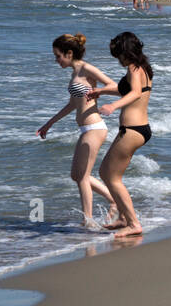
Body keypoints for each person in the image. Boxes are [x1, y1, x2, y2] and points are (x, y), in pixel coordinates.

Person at [38, 33, 119, 227]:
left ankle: (88, 220)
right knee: (77, 175)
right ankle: (114, 201)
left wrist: (98, 91)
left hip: (94, 127)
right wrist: (49, 123)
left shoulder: (86, 68)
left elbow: (114, 85)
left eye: (58, 56)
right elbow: (72, 104)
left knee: (82, 177)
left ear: (69, 53)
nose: (56, 60)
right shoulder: (74, 74)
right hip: (86, 129)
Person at [87, 32, 153, 239]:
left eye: (118, 55)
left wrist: (113, 106)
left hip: (133, 130)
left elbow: (134, 93)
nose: (118, 60)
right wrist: (103, 92)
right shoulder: (142, 68)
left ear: (126, 52)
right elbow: (127, 90)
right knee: (107, 173)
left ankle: (133, 223)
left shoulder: (134, 69)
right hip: (136, 129)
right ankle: (125, 218)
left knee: (112, 177)